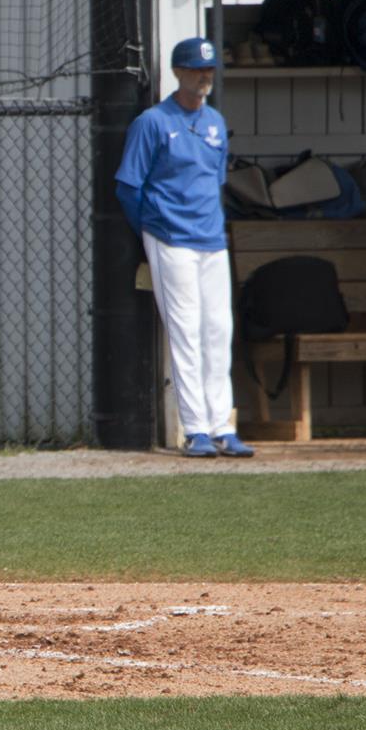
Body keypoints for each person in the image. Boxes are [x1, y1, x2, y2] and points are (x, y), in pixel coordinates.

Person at [114, 37, 254, 459]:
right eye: (195, 69)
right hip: (171, 238)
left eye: (208, 70)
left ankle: (222, 426)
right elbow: (128, 186)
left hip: (211, 239)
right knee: (186, 329)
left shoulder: (214, 121)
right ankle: (195, 429)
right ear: (177, 72)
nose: (203, 76)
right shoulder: (153, 122)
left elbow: (216, 183)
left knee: (218, 330)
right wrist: (153, 228)